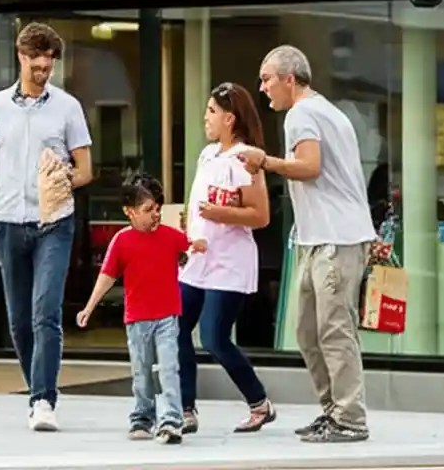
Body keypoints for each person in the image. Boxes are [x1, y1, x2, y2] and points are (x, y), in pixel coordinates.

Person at [0, 22, 93, 432]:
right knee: (18, 319)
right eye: (37, 64)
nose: (43, 71)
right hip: (7, 224)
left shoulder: (67, 107)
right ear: (21, 57)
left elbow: (86, 169)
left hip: (54, 223)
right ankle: (38, 387)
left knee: (45, 312)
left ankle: (43, 399)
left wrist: (62, 177)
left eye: (49, 65)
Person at [241, 44, 376, 444]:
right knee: (308, 330)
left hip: (335, 238)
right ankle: (334, 411)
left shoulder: (301, 114)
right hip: (324, 237)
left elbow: (310, 167)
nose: (263, 88)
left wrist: (263, 160)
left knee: (333, 330)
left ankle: (349, 417)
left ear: (288, 77)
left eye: (266, 79)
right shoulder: (327, 110)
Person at [178, 82, 275, 435]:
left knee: (215, 337)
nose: (205, 118)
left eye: (211, 112)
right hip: (197, 258)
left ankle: (259, 403)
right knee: (176, 328)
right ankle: (185, 408)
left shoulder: (245, 158)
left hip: (229, 261)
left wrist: (221, 214)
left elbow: (260, 215)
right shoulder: (207, 155)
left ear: (230, 119)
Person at [77, 172, 199, 445]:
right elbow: (106, 276)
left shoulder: (171, 237)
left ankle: (170, 420)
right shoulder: (122, 241)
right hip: (137, 319)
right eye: (148, 210)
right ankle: (143, 416)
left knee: (169, 369)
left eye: (157, 208)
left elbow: (191, 249)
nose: (155, 214)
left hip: (168, 315)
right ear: (129, 211)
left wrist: (198, 246)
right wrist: (89, 307)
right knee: (141, 372)